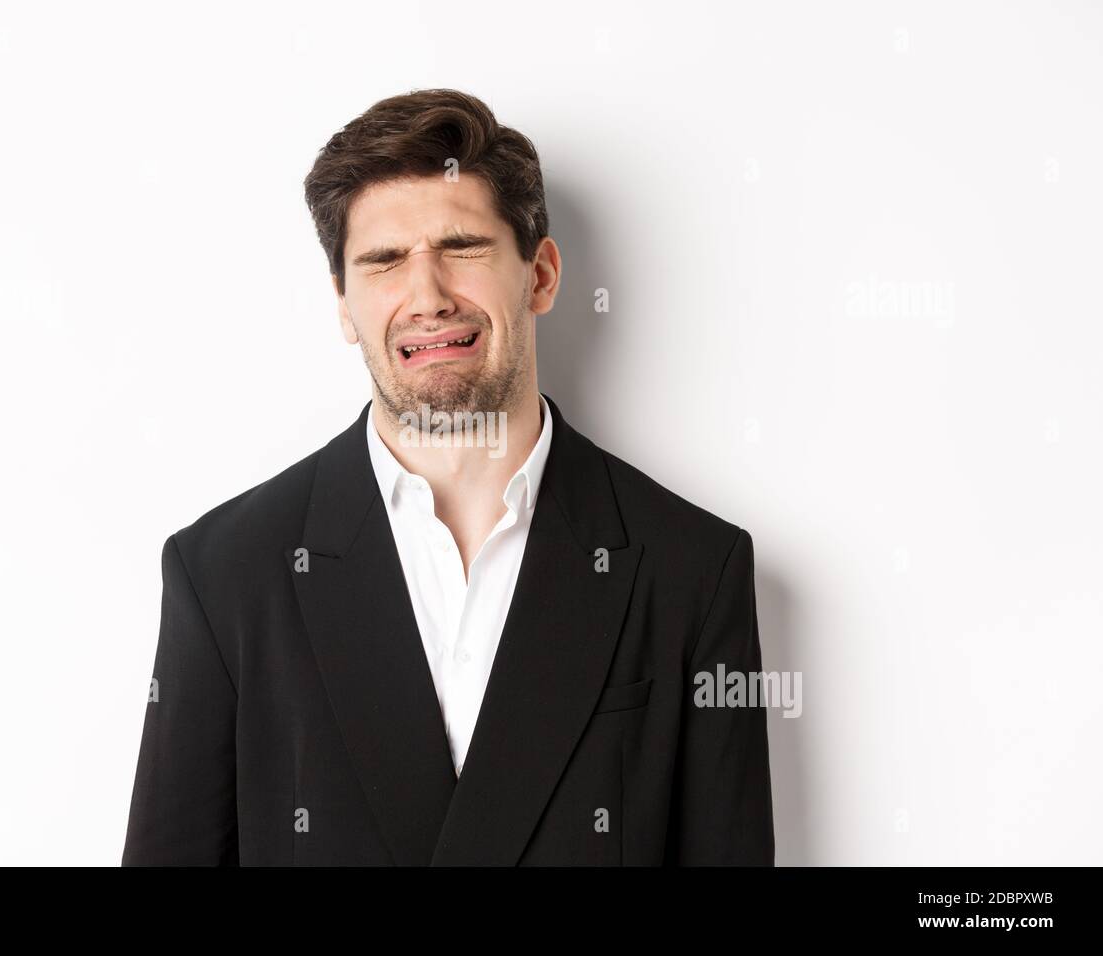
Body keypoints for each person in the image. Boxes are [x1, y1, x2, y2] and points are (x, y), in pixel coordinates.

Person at [122, 88, 774, 865]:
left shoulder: (691, 571)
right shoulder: (226, 575)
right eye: (385, 261)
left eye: (461, 247)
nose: (427, 297)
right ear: (344, 303)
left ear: (540, 275)